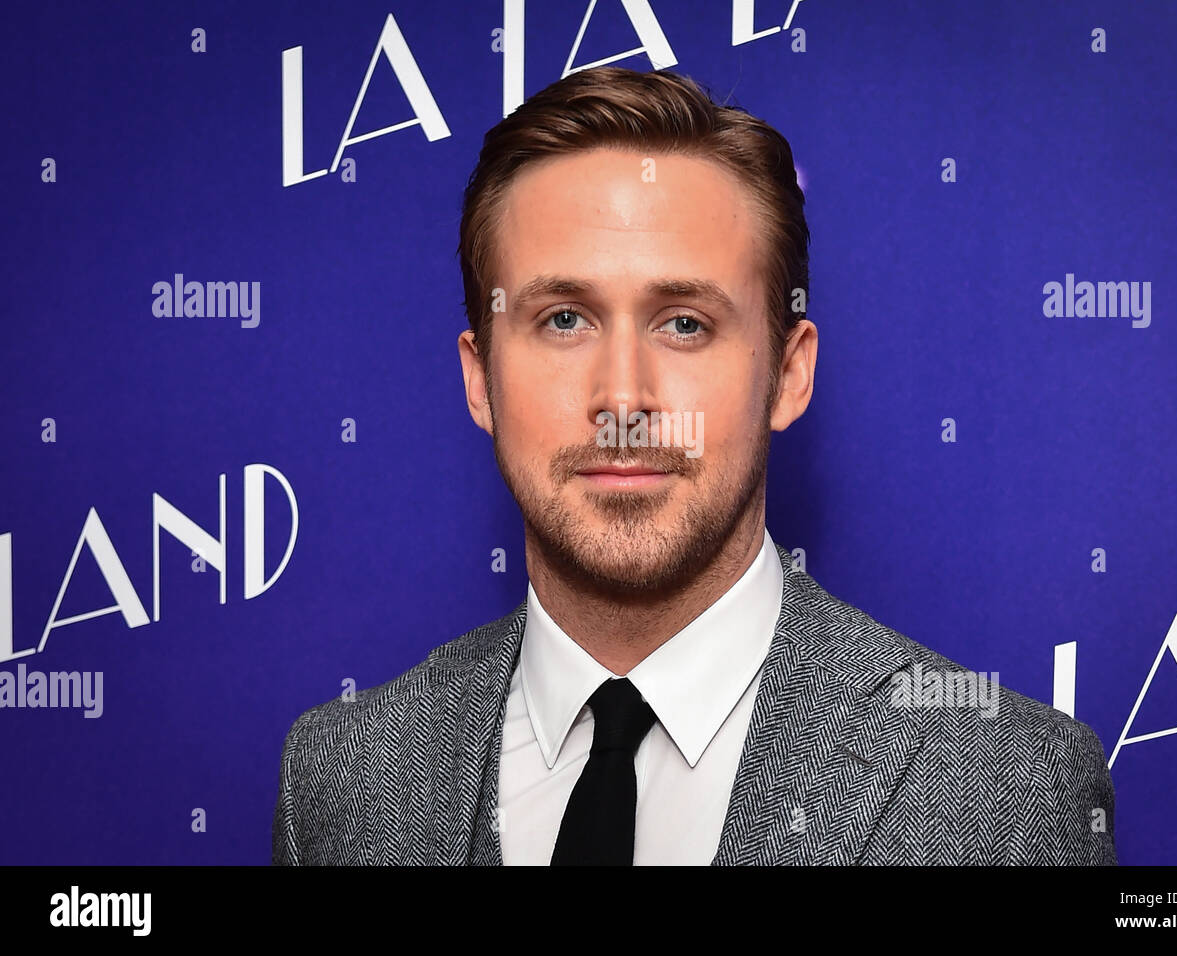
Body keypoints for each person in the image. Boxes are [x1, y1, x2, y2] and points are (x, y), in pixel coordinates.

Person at [272, 65, 1117, 866]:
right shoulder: (341, 779)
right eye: (564, 319)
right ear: (479, 378)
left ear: (788, 375)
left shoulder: (1009, 790)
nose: (626, 398)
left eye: (684, 323)